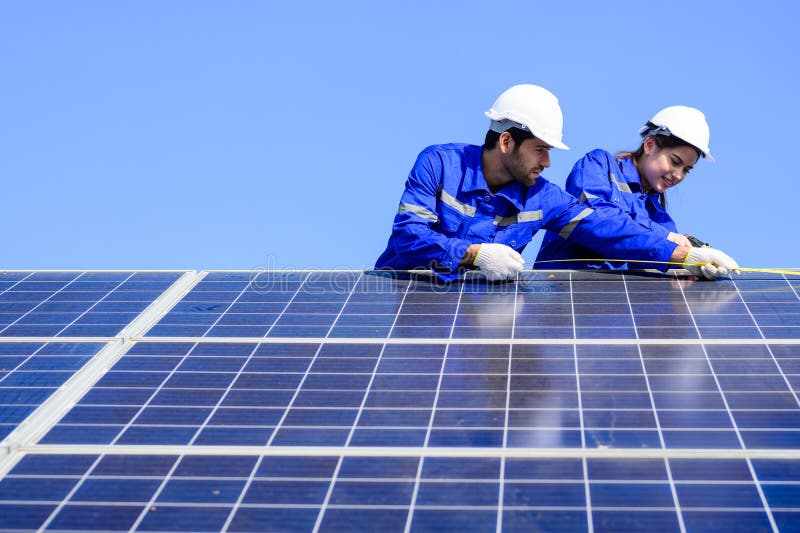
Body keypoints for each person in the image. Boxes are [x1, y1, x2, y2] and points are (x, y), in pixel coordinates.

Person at [375, 85, 738, 282]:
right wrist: (473, 254)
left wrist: (685, 255)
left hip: (473, 317)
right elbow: (408, 237)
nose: (547, 163)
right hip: (403, 297)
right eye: (540, 150)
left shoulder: (545, 198)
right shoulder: (439, 164)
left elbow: (606, 229)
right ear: (506, 142)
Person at [535, 105, 733, 277]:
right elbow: (598, 220)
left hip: (617, 314)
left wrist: (695, 268)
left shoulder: (661, 219)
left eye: (686, 170)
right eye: (674, 162)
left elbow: (662, 277)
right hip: (563, 298)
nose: (678, 175)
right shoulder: (599, 164)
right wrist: (671, 242)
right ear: (649, 144)